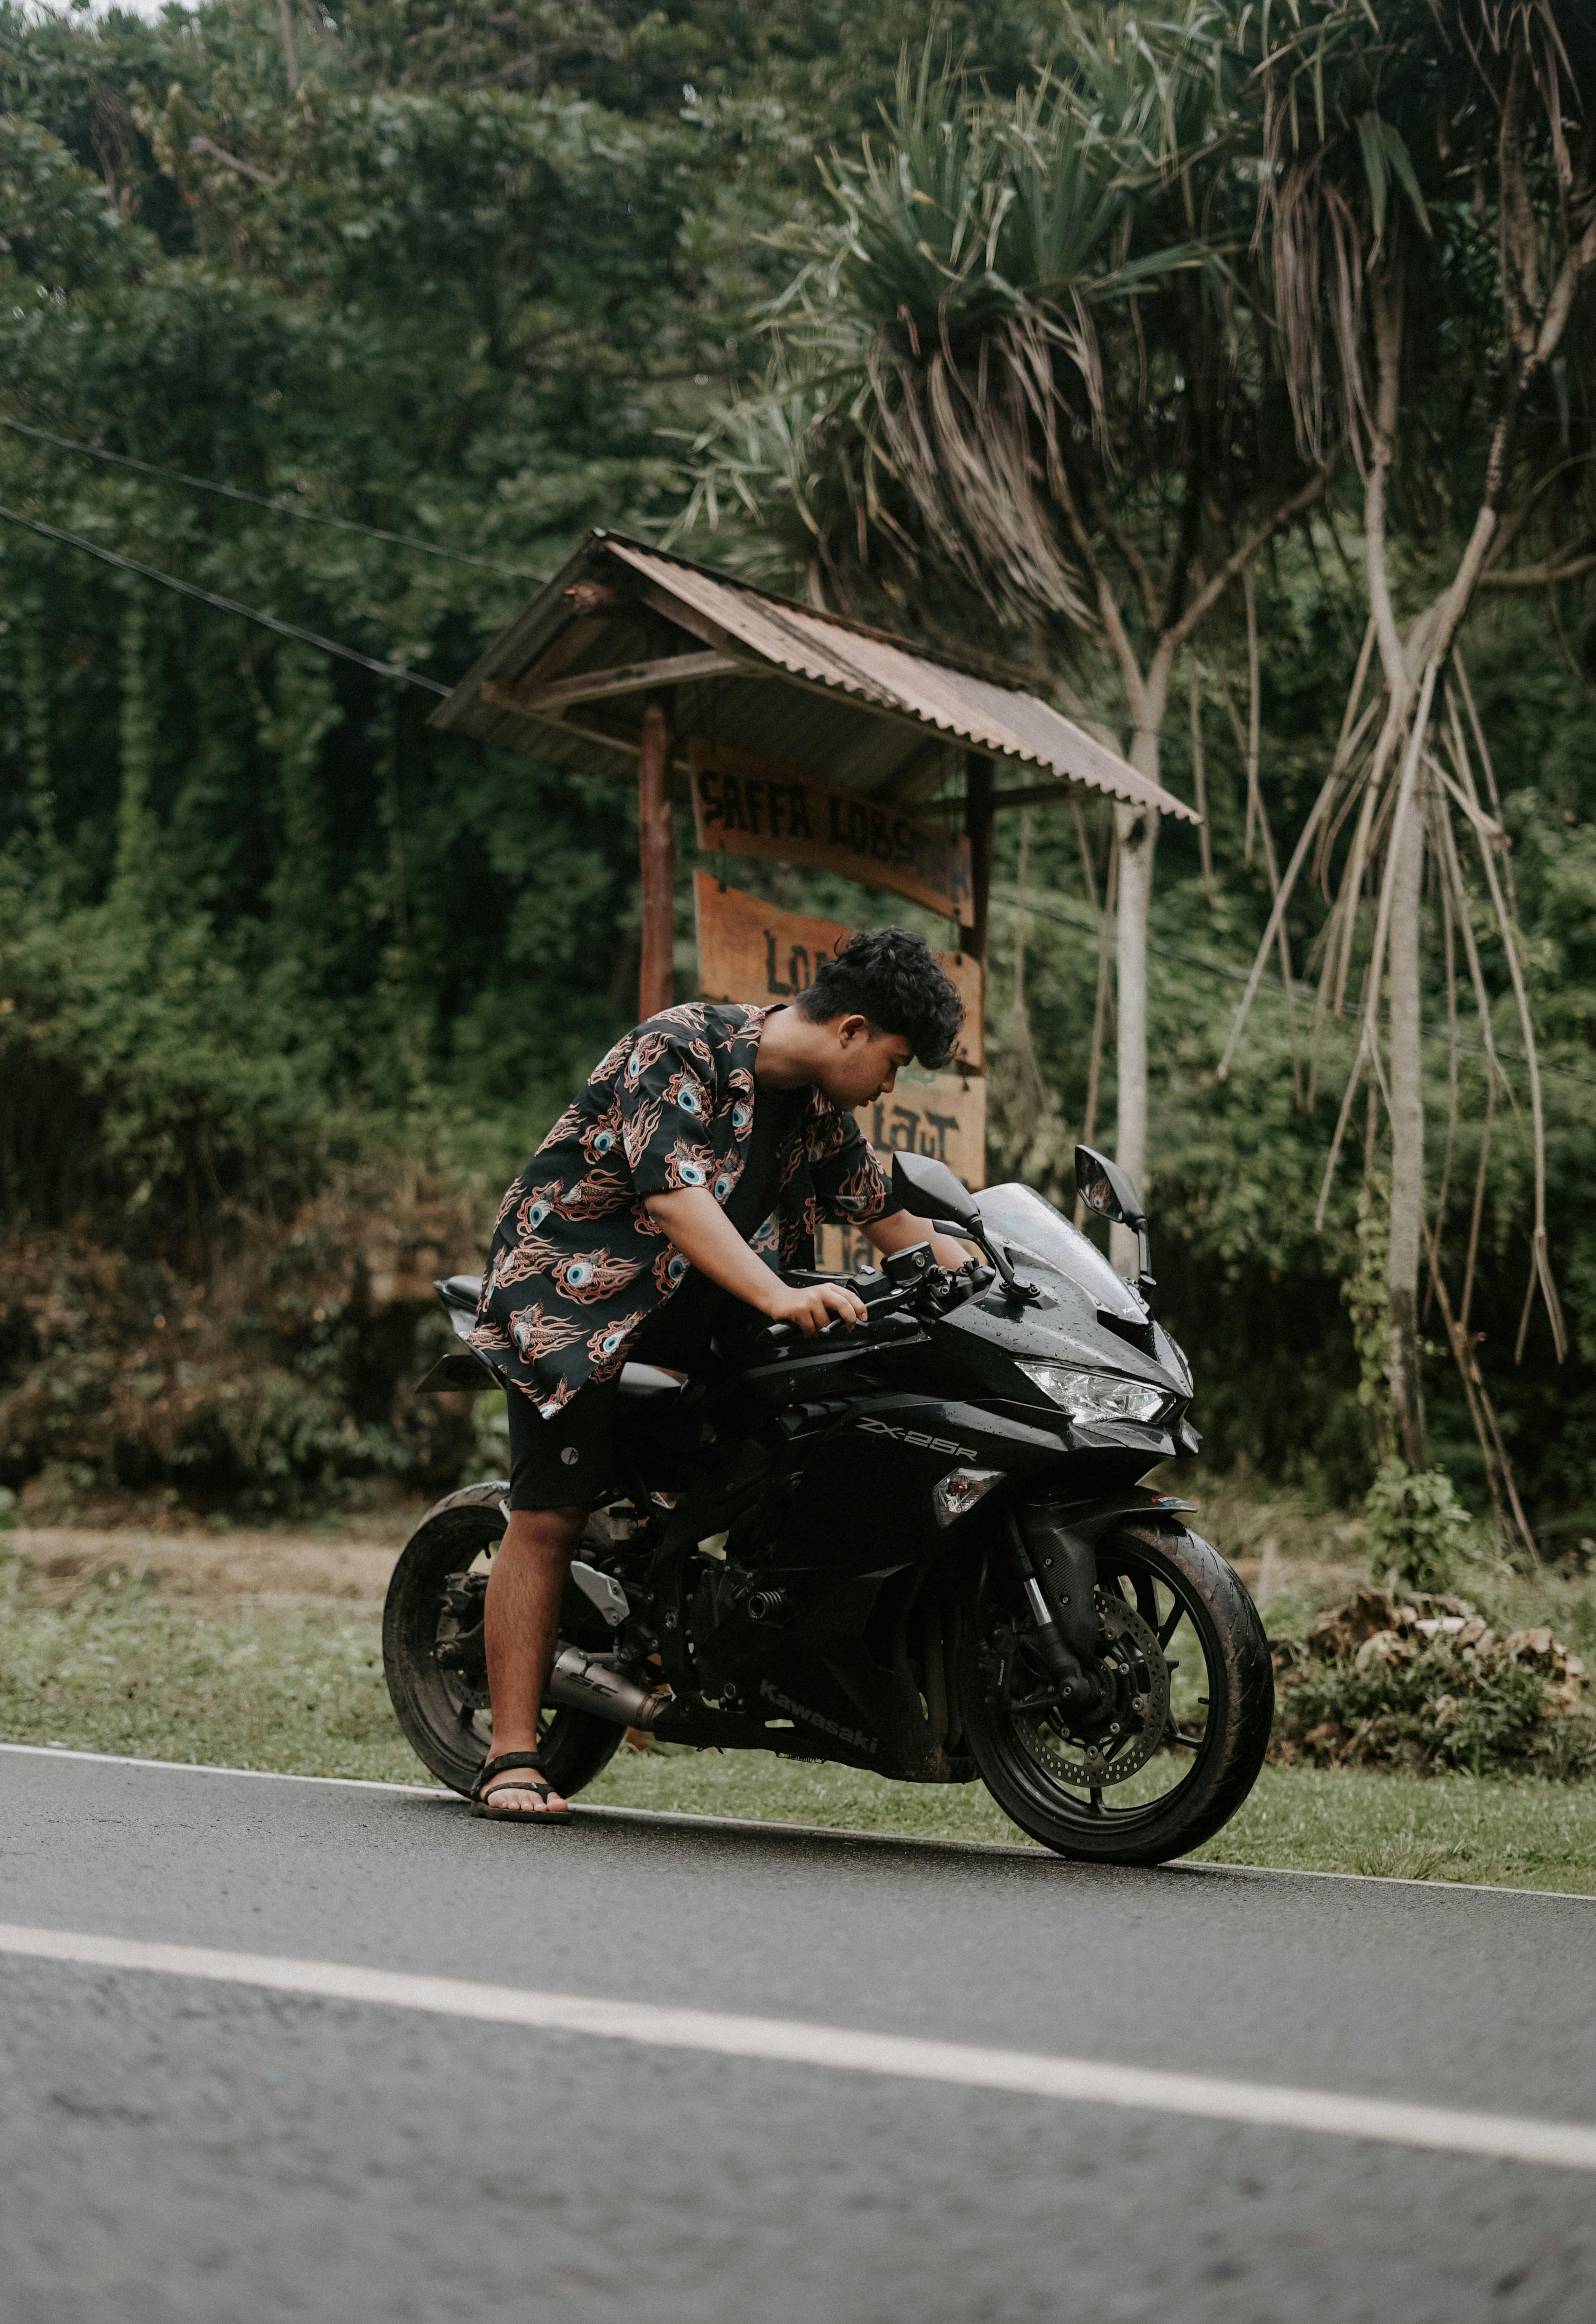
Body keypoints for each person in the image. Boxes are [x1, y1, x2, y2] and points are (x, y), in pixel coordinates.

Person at [464, 925, 975, 1821]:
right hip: (578, 1305)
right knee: (549, 1513)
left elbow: (887, 1217)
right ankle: (511, 1755)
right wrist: (778, 1294)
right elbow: (674, 1197)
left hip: (700, 1313)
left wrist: (981, 1263)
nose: (891, 1085)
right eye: (894, 1062)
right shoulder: (677, 1048)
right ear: (851, 1031)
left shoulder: (819, 1113)